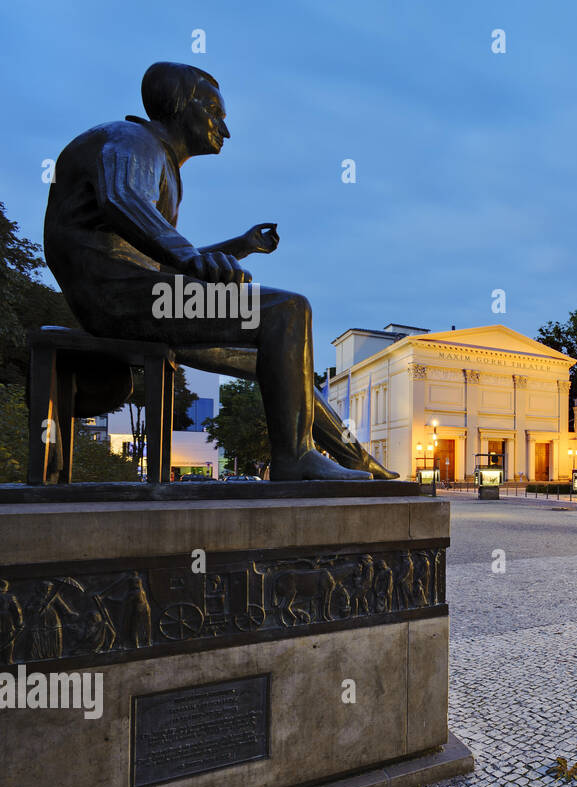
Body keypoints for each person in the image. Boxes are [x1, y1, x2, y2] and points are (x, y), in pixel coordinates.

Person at [43, 62, 394, 480]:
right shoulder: (132, 140)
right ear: (178, 104)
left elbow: (158, 260)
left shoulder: (159, 163)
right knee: (287, 311)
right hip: (118, 300)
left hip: (144, 298)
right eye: (214, 113)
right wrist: (191, 258)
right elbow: (121, 199)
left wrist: (239, 246)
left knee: (283, 356)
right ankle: (294, 459)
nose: (223, 129)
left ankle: (357, 459)